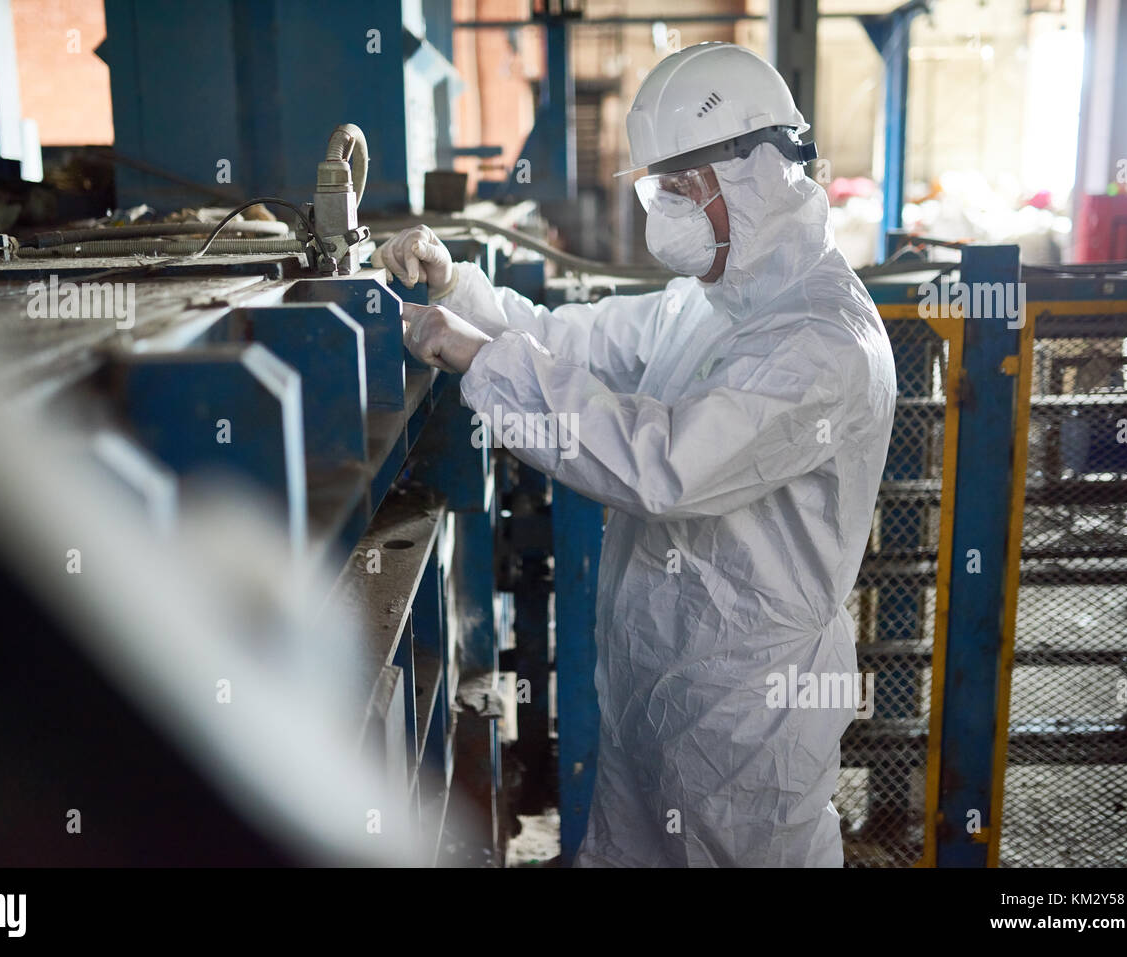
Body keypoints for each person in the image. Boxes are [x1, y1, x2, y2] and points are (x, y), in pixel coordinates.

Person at [376, 42, 897, 867]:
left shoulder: (823, 343)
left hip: (748, 717)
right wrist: (455, 289)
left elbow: (666, 464)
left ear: (758, 176)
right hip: (656, 683)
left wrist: (483, 359)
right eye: (659, 189)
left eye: (683, 189)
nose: (667, 212)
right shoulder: (712, 301)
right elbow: (570, 340)